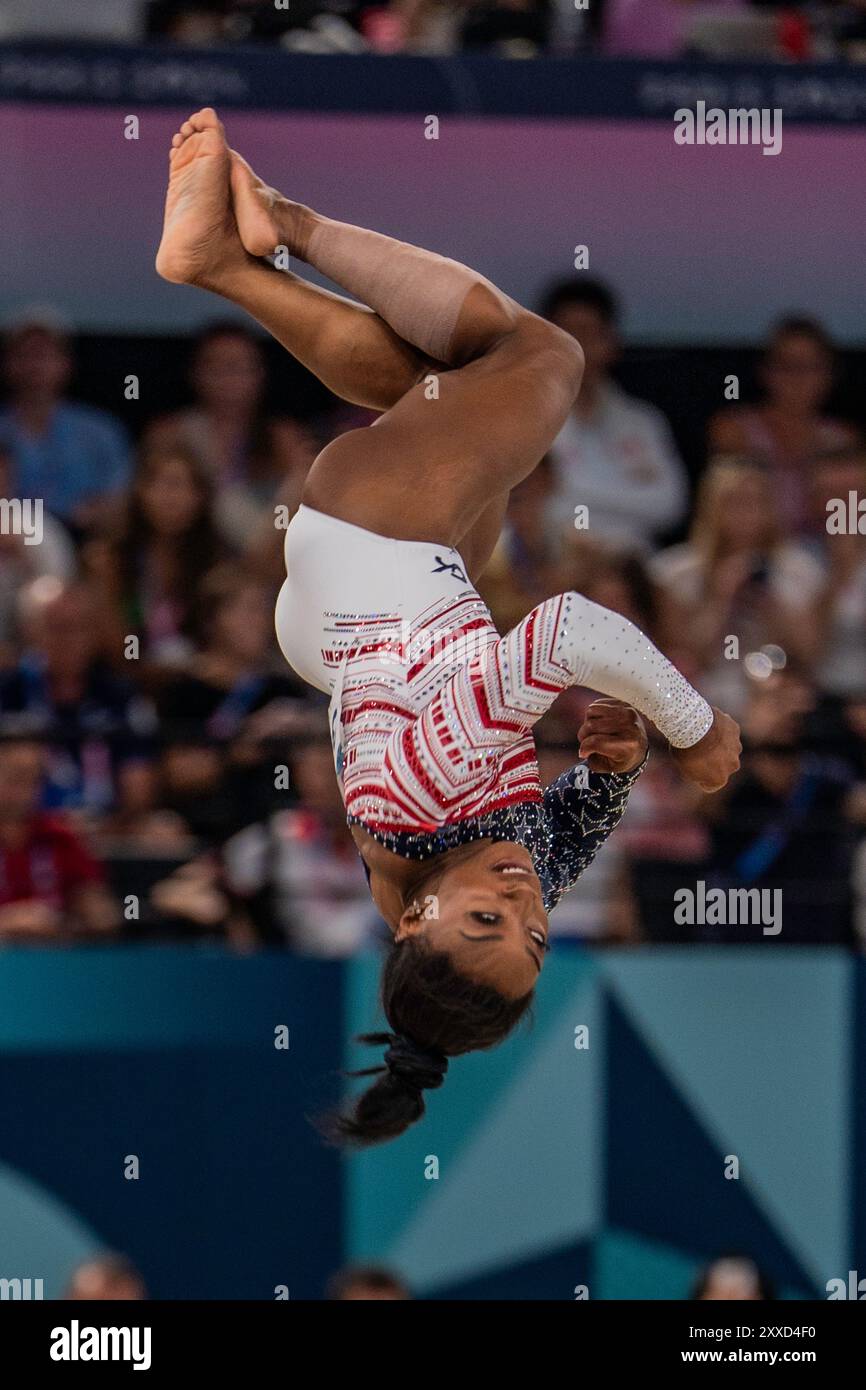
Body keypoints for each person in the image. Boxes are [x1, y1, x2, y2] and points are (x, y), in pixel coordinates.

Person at [156, 108, 740, 1145]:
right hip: (349, 626)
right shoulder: (460, 872)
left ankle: (276, 231)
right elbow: (556, 841)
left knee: (537, 355)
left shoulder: (428, 792)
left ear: (416, 921)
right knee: (436, 389)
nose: (522, 904)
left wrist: (695, 729)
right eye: (533, 936)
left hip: (377, 537)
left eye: (489, 920)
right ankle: (224, 259)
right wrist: (610, 768)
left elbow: (563, 629)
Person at [539, 277, 688, 552]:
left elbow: (669, 505)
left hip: (632, 569)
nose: (577, 346)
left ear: (611, 340)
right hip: (554, 562)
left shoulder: (642, 421)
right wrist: (629, 497)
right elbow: (532, 508)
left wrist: (567, 488)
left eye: (588, 333)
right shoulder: (525, 420)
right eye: (567, 333)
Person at [143, 320, 315, 550]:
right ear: (195, 373)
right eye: (218, 368)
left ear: (260, 374)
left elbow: (297, 512)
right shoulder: (169, 433)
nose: (229, 381)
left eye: (240, 368)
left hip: (271, 554)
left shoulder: (284, 437)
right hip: (191, 553)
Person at [708, 316, 860, 536]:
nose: (798, 379)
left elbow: (846, 518)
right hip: (753, 547)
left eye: (810, 367)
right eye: (787, 366)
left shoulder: (844, 438)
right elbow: (729, 506)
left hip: (823, 553)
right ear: (766, 371)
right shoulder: (733, 430)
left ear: (829, 375)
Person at [0, 312, 131, 535]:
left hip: (84, 546)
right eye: (25, 355)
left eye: (45, 355)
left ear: (66, 364)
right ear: (8, 363)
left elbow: (123, 501)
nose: (35, 366)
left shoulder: (101, 431)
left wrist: (96, 513)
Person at [0, 736, 118, 941]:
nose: (26, 790)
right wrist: (7, 921)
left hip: (55, 957)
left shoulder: (62, 836)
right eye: (16, 777)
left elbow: (106, 915)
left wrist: (65, 922)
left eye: (35, 779)